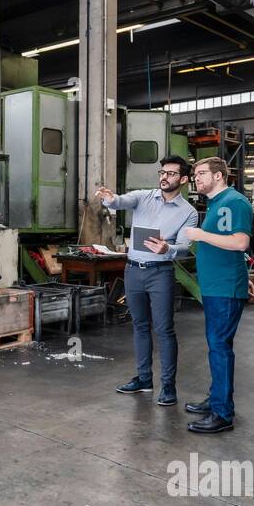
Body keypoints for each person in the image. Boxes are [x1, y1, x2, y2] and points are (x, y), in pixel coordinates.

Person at [94, 156, 198, 407]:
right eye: (163, 172)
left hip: (160, 273)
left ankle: (168, 386)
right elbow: (120, 201)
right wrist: (109, 198)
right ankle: (143, 379)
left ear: (183, 180)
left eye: (171, 174)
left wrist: (168, 249)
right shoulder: (143, 196)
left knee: (164, 329)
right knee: (140, 326)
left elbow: (186, 248)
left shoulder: (189, 213)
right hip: (133, 271)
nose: (164, 177)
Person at [184, 157, 253, 434]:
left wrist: (200, 234)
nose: (196, 178)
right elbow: (234, 247)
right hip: (218, 286)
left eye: (201, 174)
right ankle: (216, 399)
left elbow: (240, 241)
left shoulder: (233, 202)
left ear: (219, 176)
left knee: (220, 347)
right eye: (195, 174)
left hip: (224, 288)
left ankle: (222, 413)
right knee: (216, 346)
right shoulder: (216, 203)